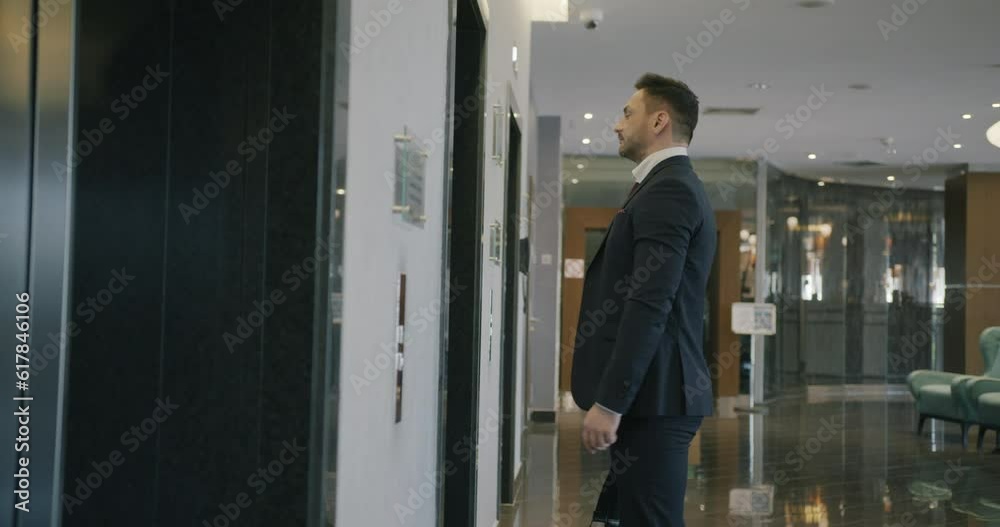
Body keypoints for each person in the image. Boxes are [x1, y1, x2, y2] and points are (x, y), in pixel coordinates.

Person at [571, 73, 716, 527]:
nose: (617, 124)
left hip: (656, 398)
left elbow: (650, 303)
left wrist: (610, 403)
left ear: (659, 121)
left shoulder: (669, 188)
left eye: (627, 113)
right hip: (653, 398)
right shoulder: (658, 185)